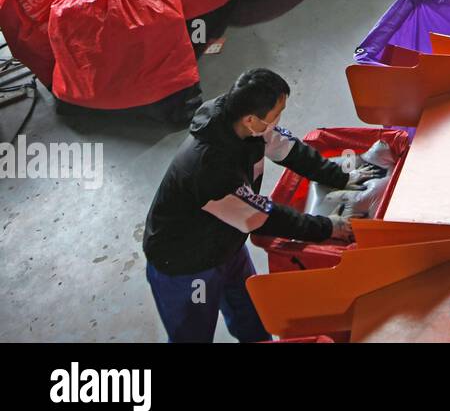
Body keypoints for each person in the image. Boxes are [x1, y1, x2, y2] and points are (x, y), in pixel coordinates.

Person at [142, 69, 377, 342]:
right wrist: (329, 228)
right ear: (251, 118)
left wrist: (341, 177)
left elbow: (290, 150)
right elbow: (264, 216)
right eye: (276, 114)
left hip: (227, 243)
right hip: (186, 264)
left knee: (251, 317)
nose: (278, 120)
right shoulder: (208, 169)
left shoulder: (244, 121)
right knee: (192, 335)